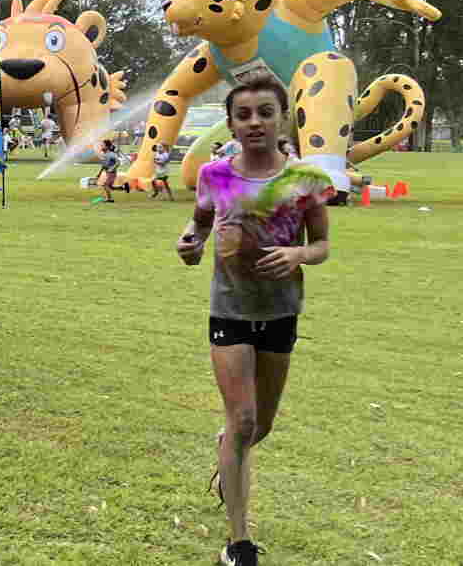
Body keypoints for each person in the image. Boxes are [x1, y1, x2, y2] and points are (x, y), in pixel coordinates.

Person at [174, 77, 332, 566]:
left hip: (281, 310)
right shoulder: (215, 175)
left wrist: (297, 254)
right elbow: (200, 224)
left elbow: (322, 245)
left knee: (258, 426)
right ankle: (238, 542)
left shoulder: (305, 179)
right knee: (242, 418)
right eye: (243, 115)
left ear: (282, 118)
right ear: (231, 124)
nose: (255, 122)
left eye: (265, 112)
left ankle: (229, 450)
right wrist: (190, 244)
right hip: (230, 308)